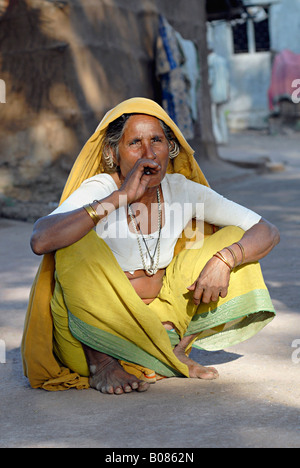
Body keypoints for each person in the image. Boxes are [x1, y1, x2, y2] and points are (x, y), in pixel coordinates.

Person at [22, 97, 279, 394]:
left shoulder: (181, 189)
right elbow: (41, 240)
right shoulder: (102, 189)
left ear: (170, 148)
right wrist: (120, 197)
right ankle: (104, 364)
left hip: (161, 323)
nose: (149, 154)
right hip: (94, 336)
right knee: (73, 244)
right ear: (112, 153)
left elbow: (267, 230)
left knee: (235, 238)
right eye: (135, 143)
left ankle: (170, 347)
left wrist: (225, 259)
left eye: (156, 140)